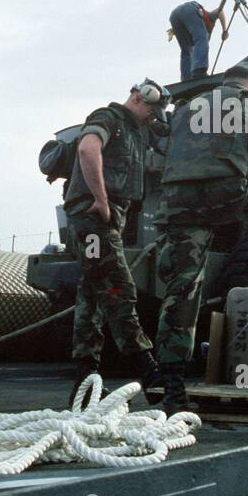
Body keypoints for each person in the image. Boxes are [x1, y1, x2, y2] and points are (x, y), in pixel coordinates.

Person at [154, 63, 248, 412]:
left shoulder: (184, 109)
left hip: (178, 202)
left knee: (183, 287)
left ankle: (174, 390)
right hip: (227, 194)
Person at [64, 79, 169, 406]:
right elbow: (87, 148)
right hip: (94, 215)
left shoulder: (139, 130)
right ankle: (148, 369)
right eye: (152, 111)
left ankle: (84, 383)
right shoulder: (108, 118)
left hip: (110, 216)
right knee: (117, 285)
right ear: (138, 98)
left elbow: (166, 135)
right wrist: (101, 199)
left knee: (93, 293)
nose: (153, 118)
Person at [167, 0, 228, 82]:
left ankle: (187, 78)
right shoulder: (210, 18)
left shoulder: (194, 30)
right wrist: (224, 30)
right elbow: (219, 11)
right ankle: (199, 70)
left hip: (174, 16)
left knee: (186, 50)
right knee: (201, 39)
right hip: (190, 9)